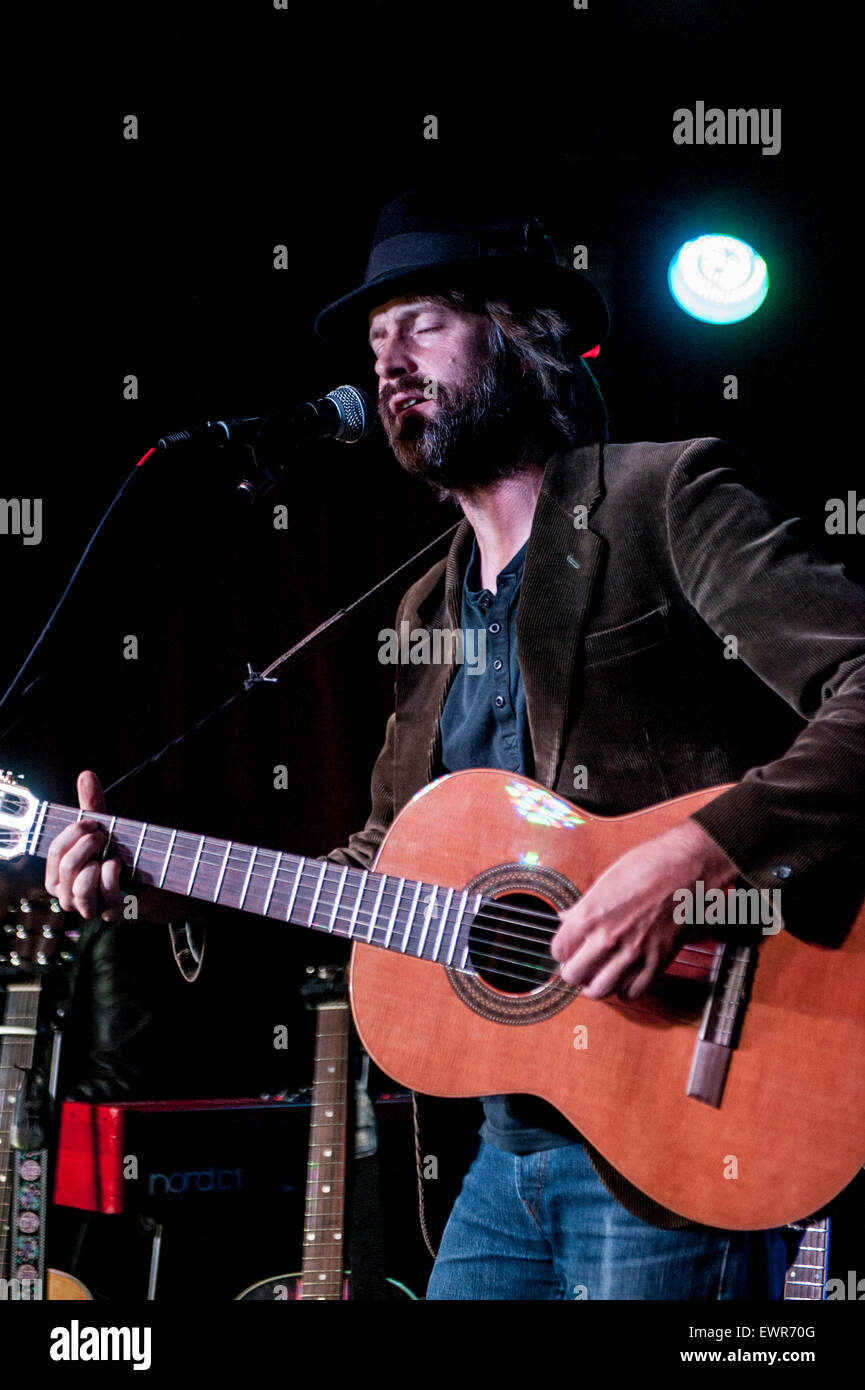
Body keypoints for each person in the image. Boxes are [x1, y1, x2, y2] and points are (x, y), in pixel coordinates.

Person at [45, 189, 865, 1300]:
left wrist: (694, 858)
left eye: (421, 322)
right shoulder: (429, 604)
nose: (388, 360)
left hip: (688, 1105)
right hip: (508, 1156)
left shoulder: (662, 495)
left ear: (523, 335)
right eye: (375, 341)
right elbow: (387, 872)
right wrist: (163, 882)